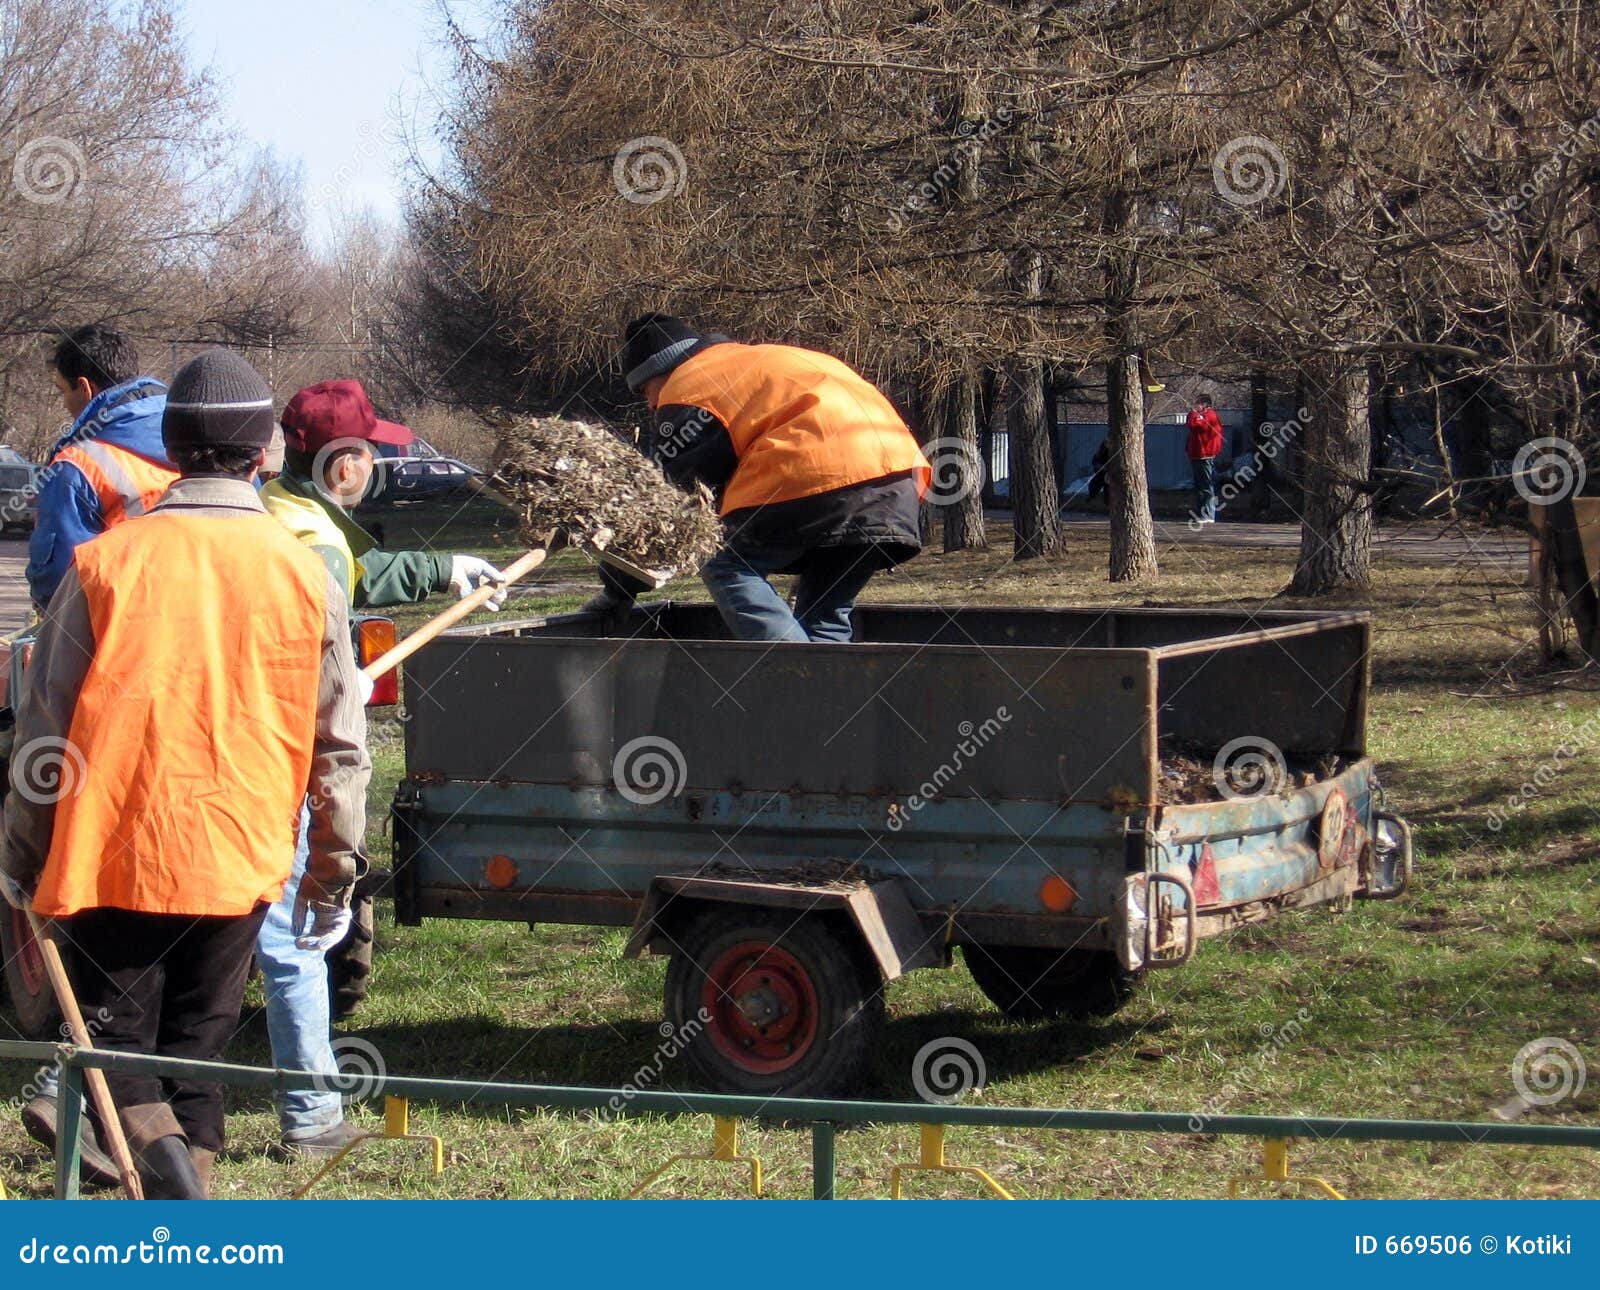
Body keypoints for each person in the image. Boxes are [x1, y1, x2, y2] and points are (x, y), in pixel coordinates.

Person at [0, 349, 370, 1199]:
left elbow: (43, 736)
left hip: (116, 851)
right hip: (242, 857)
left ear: (172, 448)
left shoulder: (103, 566)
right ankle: (185, 1204)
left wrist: (20, 852)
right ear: (260, 452)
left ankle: (178, 1204)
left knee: (117, 1061)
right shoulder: (304, 574)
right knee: (197, 1059)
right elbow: (342, 747)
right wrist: (332, 869)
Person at [255, 378, 504, 1157]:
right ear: (341, 463)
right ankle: (312, 1117)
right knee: (292, 934)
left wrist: (444, 569)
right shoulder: (317, 542)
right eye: (370, 454)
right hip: (286, 757)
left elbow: (361, 578)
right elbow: (319, 640)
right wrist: (341, 685)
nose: (381, 467)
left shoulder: (280, 511)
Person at [611, 314, 929, 642]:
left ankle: (788, 680)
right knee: (824, 613)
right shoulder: (772, 359)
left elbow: (670, 507)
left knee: (725, 563)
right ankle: (828, 690)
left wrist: (617, 591)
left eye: (646, 389)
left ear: (664, 370)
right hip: (896, 485)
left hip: (817, 477)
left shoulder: (690, 386)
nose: (650, 403)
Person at [28, 325, 178, 609]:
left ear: (85, 388)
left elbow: (59, 580)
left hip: (118, 632)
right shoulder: (206, 440)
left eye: (62, 391)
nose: (64, 404)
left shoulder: (77, 466)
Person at [1186, 392, 1225, 524]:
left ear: (1204, 404)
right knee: (1200, 486)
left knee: (1206, 486)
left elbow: (1194, 424)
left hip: (1204, 456)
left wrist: (1193, 413)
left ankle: (1208, 514)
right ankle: (1203, 513)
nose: (1195, 406)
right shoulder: (1204, 416)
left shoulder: (1209, 416)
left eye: (1197, 403)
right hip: (1198, 455)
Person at [1088, 440, 1110, 505]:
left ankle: (1107, 503)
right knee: (1093, 484)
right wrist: (1101, 467)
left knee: (1107, 486)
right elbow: (1095, 462)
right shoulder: (1099, 454)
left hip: (1108, 475)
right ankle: (1091, 497)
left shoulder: (1110, 453)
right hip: (1101, 474)